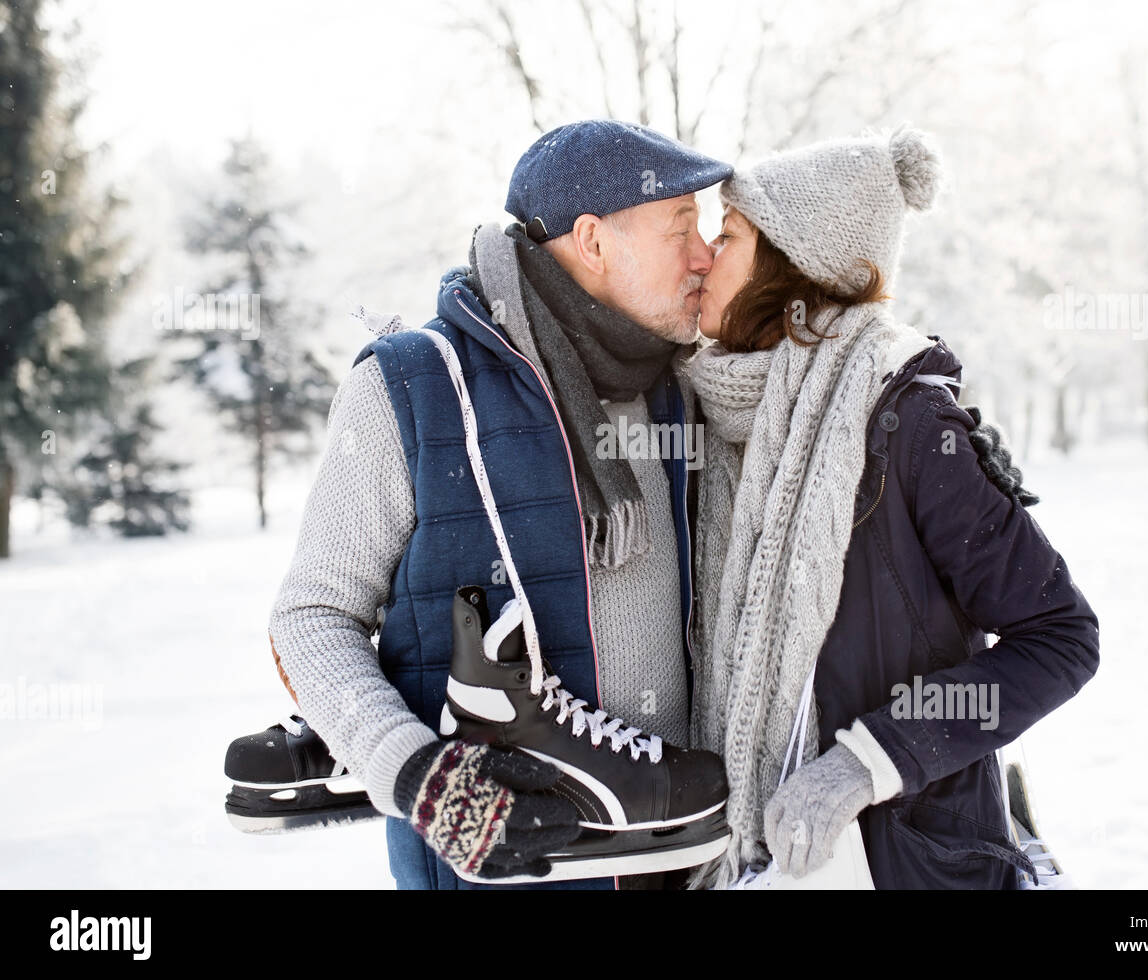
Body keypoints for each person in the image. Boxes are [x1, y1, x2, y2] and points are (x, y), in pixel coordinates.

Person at [266, 119, 732, 889]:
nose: (705, 253)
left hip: (677, 857)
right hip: (503, 864)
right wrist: (419, 777)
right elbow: (311, 618)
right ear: (593, 241)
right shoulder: (412, 388)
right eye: (682, 226)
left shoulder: (682, 392)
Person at [683, 124, 1101, 889]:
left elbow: (1061, 636)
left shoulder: (903, 422)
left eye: (730, 235)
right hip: (763, 865)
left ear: (791, 265)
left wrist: (868, 762)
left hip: (909, 862)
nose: (706, 255)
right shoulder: (707, 419)